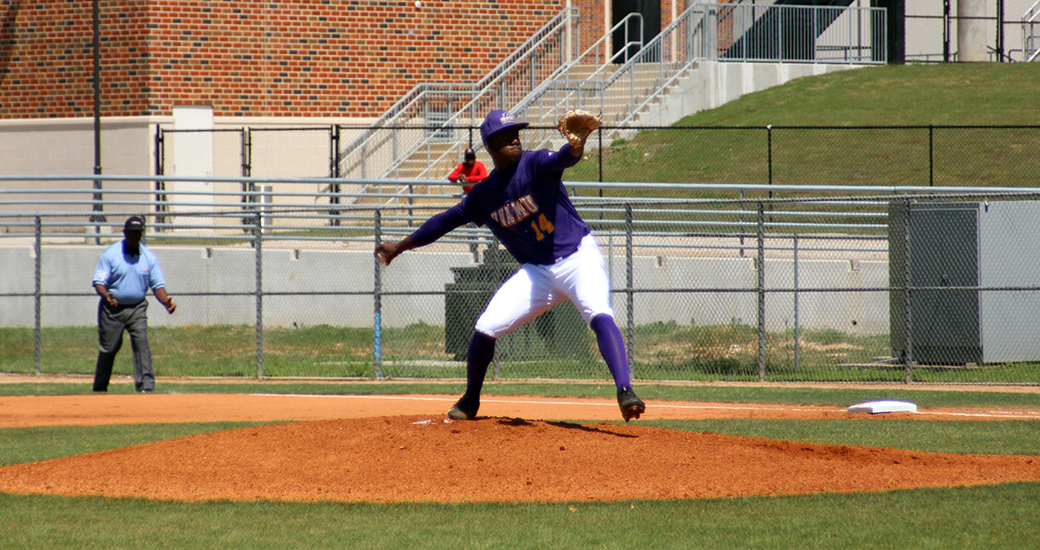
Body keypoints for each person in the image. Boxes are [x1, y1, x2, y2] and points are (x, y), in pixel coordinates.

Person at [376, 109, 645, 422]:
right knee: (486, 328)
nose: (514, 139)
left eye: (515, 133)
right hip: (538, 272)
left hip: (578, 258)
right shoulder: (484, 195)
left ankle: (625, 391)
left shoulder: (534, 163)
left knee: (599, 313)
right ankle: (470, 400)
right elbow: (443, 222)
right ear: (489, 147)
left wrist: (576, 146)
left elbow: (561, 159)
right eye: (504, 137)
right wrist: (400, 246)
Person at [92, 216, 177, 393]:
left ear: (141, 234)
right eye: (130, 232)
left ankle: (146, 386)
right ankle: (100, 388)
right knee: (109, 348)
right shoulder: (111, 254)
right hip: (112, 309)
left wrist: (166, 302)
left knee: (141, 342)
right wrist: (107, 296)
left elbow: (157, 285)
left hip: (137, 308)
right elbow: (99, 282)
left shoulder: (148, 258)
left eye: (137, 232)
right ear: (124, 233)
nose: (134, 235)